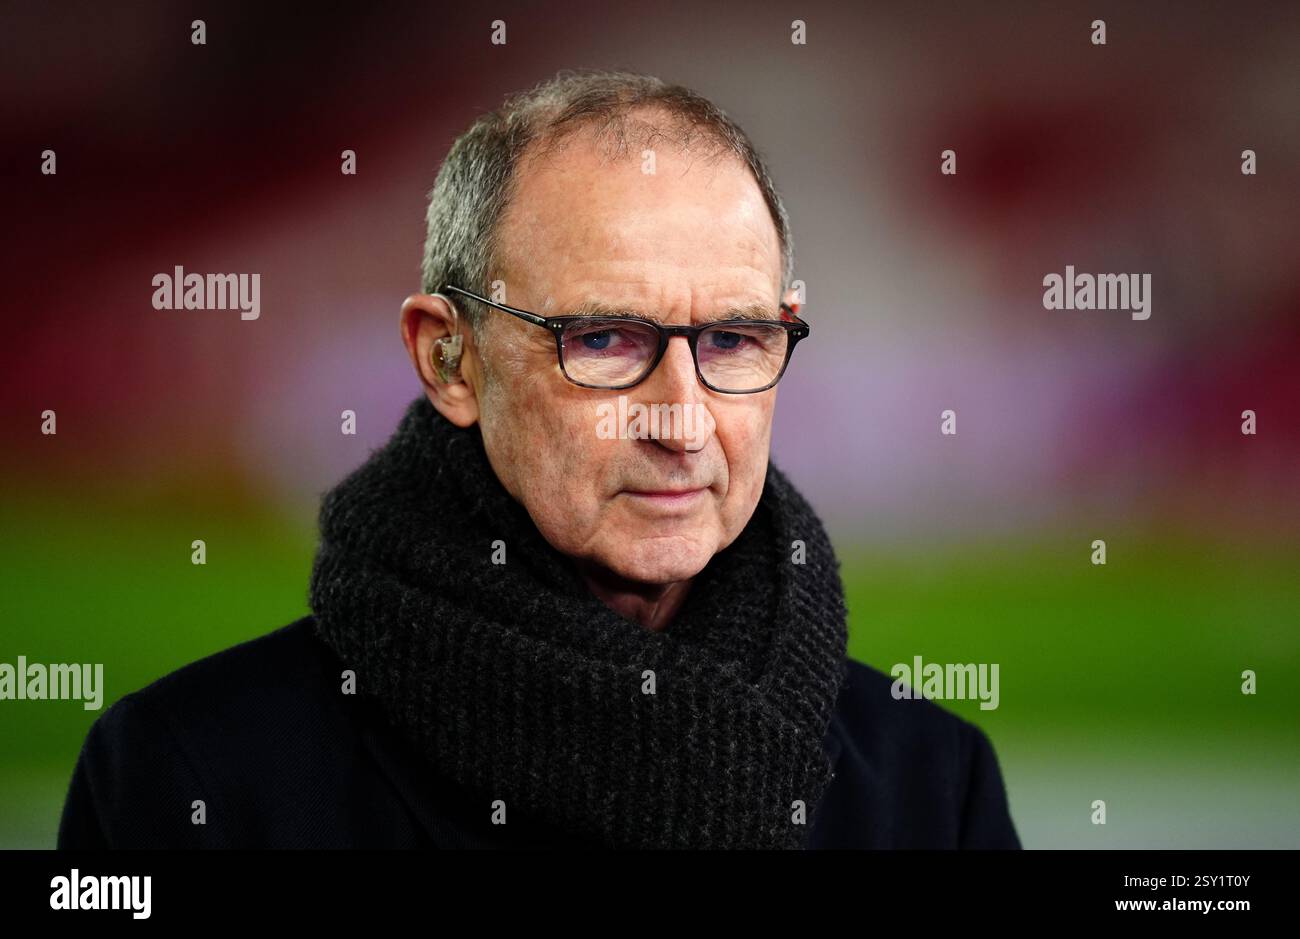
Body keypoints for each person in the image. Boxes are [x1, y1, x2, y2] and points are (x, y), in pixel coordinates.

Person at [57, 70, 1020, 850]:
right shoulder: (194, 780)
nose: (683, 423)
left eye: (732, 338)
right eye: (603, 339)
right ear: (448, 356)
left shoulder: (933, 788)